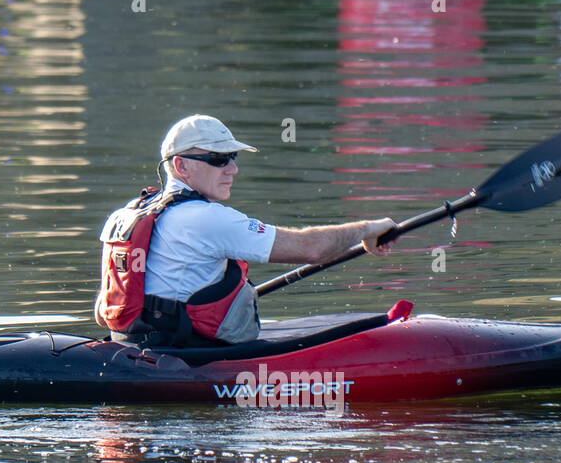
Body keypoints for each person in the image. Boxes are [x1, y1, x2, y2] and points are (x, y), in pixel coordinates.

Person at [96, 114, 398, 347]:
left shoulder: (129, 213)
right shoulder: (206, 219)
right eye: (218, 159)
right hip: (187, 353)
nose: (232, 169)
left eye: (233, 157)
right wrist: (367, 229)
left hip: (135, 343)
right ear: (181, 166)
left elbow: (112, 306)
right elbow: (312, 250)